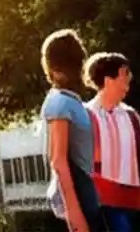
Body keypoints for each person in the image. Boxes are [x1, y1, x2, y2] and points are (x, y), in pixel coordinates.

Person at [82, 53, 140, 232]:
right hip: (104, 205)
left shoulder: (130, 116)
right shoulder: (86, 115)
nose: (128, 85)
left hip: (134, 203)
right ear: (108, 80)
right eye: (124, 77)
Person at [41, 29, 104, 232]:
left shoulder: (76, 103)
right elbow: (58, 161)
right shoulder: (59, 101)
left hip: (94, 203)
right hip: (79, 205)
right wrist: (75, 215)